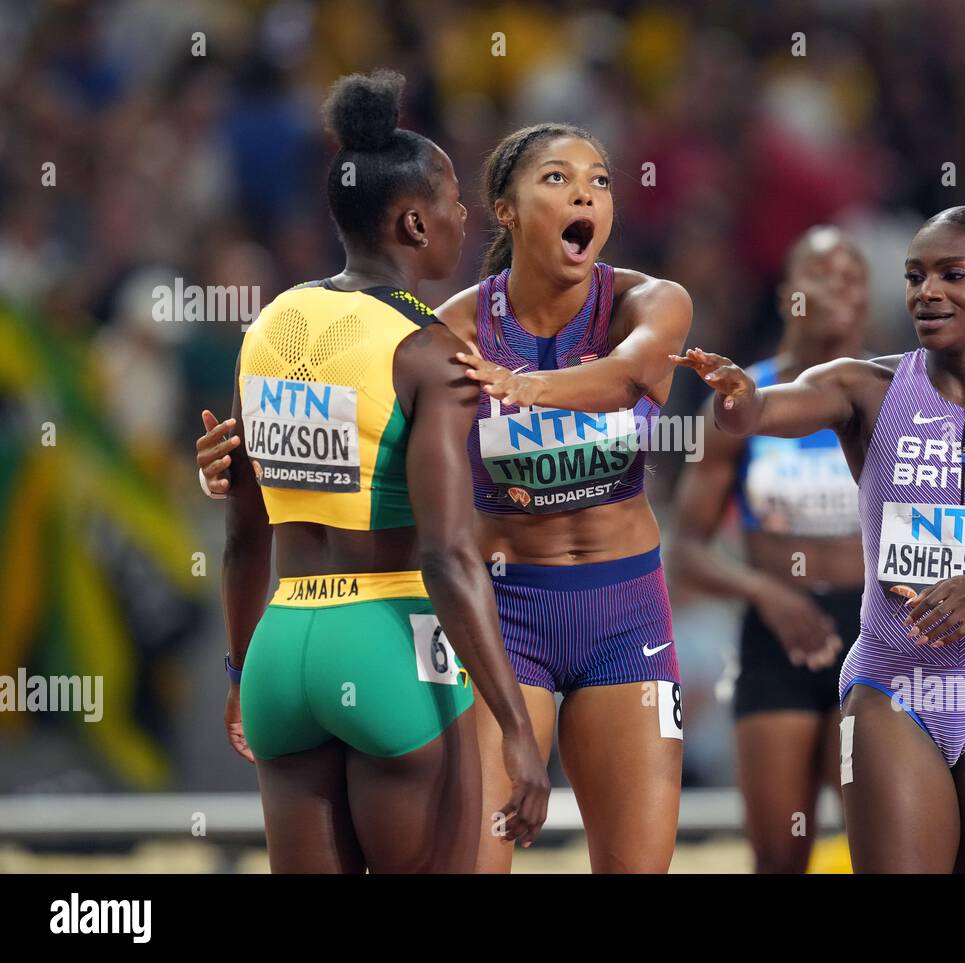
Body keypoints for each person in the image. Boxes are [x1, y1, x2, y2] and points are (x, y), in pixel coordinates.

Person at [203, 120, 693, 873]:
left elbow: (629, 374)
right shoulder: (445, 331)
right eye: (558, 178)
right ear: (505, 209)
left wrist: (523, 386)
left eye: (599, 179)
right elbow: (364, 419)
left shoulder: (651, 304)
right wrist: (243, 459)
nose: (585, 193)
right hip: (501, 614)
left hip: (624, 613)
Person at [673, 206, 965, 873]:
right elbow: (768, 407)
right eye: (914, 276)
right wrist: (740, 400)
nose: (926, 291)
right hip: (892, 685)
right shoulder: (864, 387)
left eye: (951, 274)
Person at [203, 69, 548, 872]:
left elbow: (242, 535)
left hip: (282, 651)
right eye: (455, 199)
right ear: (413, 222)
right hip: (391, 643)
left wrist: (239, 668)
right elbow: (448, 553)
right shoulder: (429, 352)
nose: (466, 216)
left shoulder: (271, 324)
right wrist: (519, 730)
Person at [669, 226, 870, 872]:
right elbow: (686, 549)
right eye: (824, 274)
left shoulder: (894, 398)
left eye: (854, 276)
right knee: (779, 858)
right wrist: (764, 591)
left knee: (886, 851)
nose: (841, 287)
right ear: (789, 296)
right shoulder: (737, 402)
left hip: (874, 640)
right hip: (775, 635)